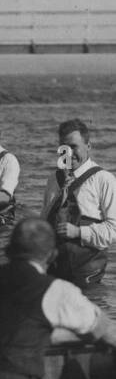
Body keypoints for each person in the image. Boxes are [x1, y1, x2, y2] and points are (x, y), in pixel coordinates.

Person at [0, 218, 116, 379]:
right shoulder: (54, 289)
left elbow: (10, 328)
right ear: (52, 256)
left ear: (9, 251)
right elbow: (104, 330)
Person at [42, 119, 116, 287]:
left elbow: (113, 230)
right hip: (53, 271)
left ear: (88, 146)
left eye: (73, 146)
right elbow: (44, 221)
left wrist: (78, 232)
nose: (68, 153)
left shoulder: (104, 180)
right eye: (64, 148)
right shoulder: (53, 179)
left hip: (86, 274)